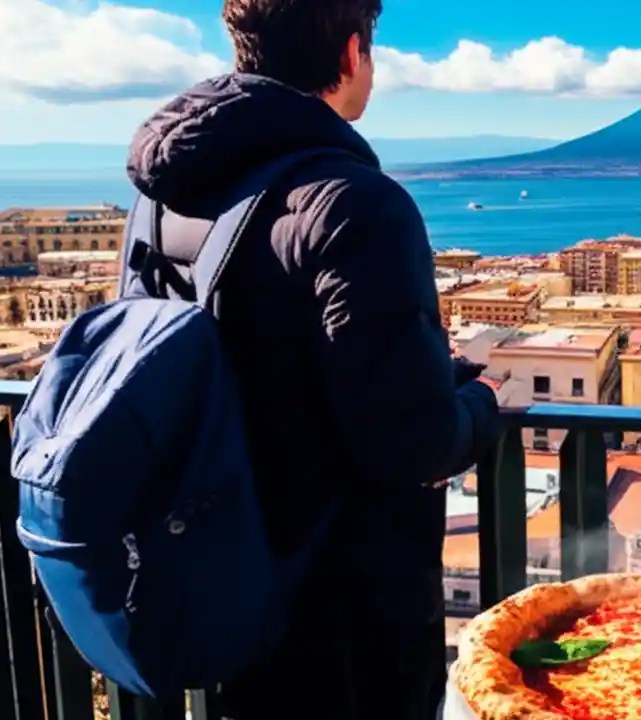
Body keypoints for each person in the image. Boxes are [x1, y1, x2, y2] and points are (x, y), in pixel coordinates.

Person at [125, 1, 502, 718]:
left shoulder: (161, 196)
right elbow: (411, 442)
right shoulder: (356, 205)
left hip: (209, 561)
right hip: (339, 598)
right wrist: (482, 405)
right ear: (352, 53)